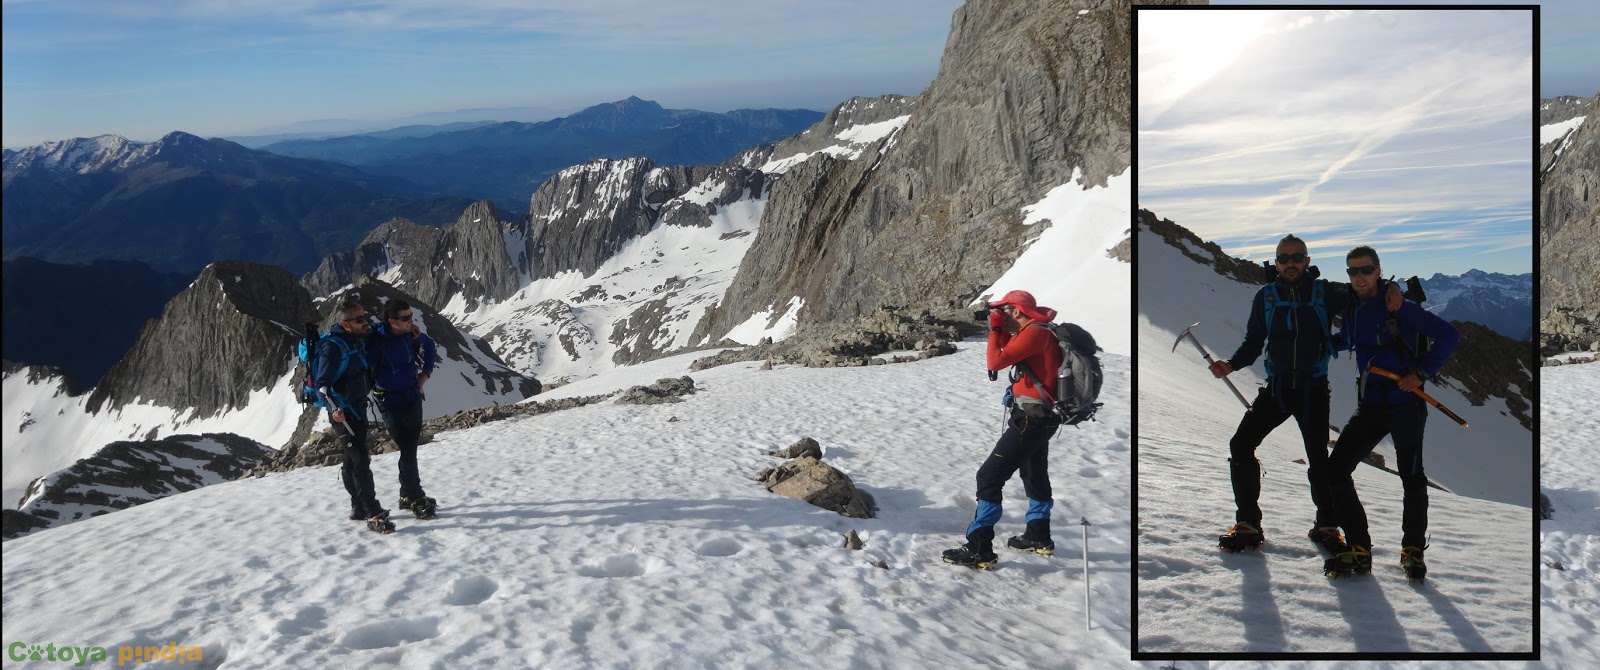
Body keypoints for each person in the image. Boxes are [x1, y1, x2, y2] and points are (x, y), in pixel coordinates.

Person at [1209, 235, 1400, 553]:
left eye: (1296, 257)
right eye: (1283, 258)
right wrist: (1231, 365)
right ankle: (1248, 523)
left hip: (1312, 389)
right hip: (1278, 388)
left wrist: (1394, 289)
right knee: (1240, 445)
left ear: (1307, 261)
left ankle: (1326, 525)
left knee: (1318, 460)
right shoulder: (1266, 297)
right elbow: (1254, 341)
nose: (1290, 263)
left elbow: (1366, 290)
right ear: (1276, 262)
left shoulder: (1325, 292)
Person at [1322, 246, 1458, 581]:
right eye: (1352, 271)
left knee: (1412, 477)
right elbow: (1352, 339)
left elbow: (1448, 335)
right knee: (1335, 471)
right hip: (1371, 406)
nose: (1359, 277)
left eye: (1365, 270)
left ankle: (1412, 551)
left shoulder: (1398, 305)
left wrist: (1422, 374)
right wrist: (1322, 344)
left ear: (1378, 271)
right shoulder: (1354, 307)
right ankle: (1359, 548)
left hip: (1405, 406)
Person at [943, 290, 1062, 570]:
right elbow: (1015, 355)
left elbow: (996, 361)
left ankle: (979, 548)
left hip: (1032, 420)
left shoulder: (1035, 333)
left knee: (989, 476)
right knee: (1034, 473)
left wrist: (996, 328)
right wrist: (1002, 326)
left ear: (1017, 311)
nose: (999, 315)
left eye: (1004, 310)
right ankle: (1038, 536)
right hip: (1039, 416)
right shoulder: (1037, 330)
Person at [313, 300, 387, 527]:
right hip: (343, 414)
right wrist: (334, 410)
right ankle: (372, 510)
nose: (365, 322)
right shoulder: (332, 348)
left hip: (358, 409)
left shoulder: (355, 339)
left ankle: (357, 507)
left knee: (350, 460)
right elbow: (321, 384)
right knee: (361, 460)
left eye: (364, 317)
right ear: (345, 324)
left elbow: (378, 328)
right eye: (359, 319)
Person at [367, 299, 440, 519]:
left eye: (411, 317)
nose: (411, 321)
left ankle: (407, 495)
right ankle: (415, 496)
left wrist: (425, 374)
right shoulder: (374, 341)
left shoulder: (411, 335)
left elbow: (430, 346)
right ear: (392, 321)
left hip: (412, 397)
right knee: (408, 449)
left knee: (410, 448)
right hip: (389, 403)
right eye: (405, 318)